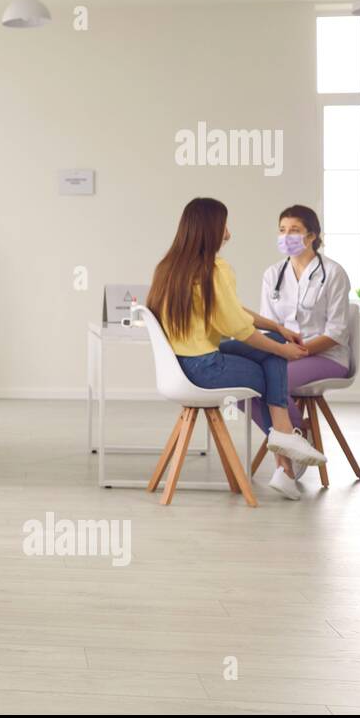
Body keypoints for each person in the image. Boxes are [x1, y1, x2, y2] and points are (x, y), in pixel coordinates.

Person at [146, 197, 328, 500]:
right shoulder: (215, 268)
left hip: (181, 366)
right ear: (213, 228)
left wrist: (276, 327)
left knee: (274, 347)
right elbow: (238, 328)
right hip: (205, 370)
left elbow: (231, 309)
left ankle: (283, 455)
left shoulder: (169, 267)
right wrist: (282, 350)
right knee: (271, 361)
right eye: (224, 224)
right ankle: (284, 447)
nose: (228, 231)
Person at [257, 204, 353, 436]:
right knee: (246, 383)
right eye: (282, 230)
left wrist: (298, 351)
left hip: (327, 357)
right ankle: (296, 434)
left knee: (272, 382)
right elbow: (268, 325)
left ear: (311, 236)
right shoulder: (272, 274)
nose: (286, 236)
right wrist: (282, 351)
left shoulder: (333, 273)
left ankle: (290, 443)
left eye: (294, 230)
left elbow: (337, 332)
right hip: (284, 354)